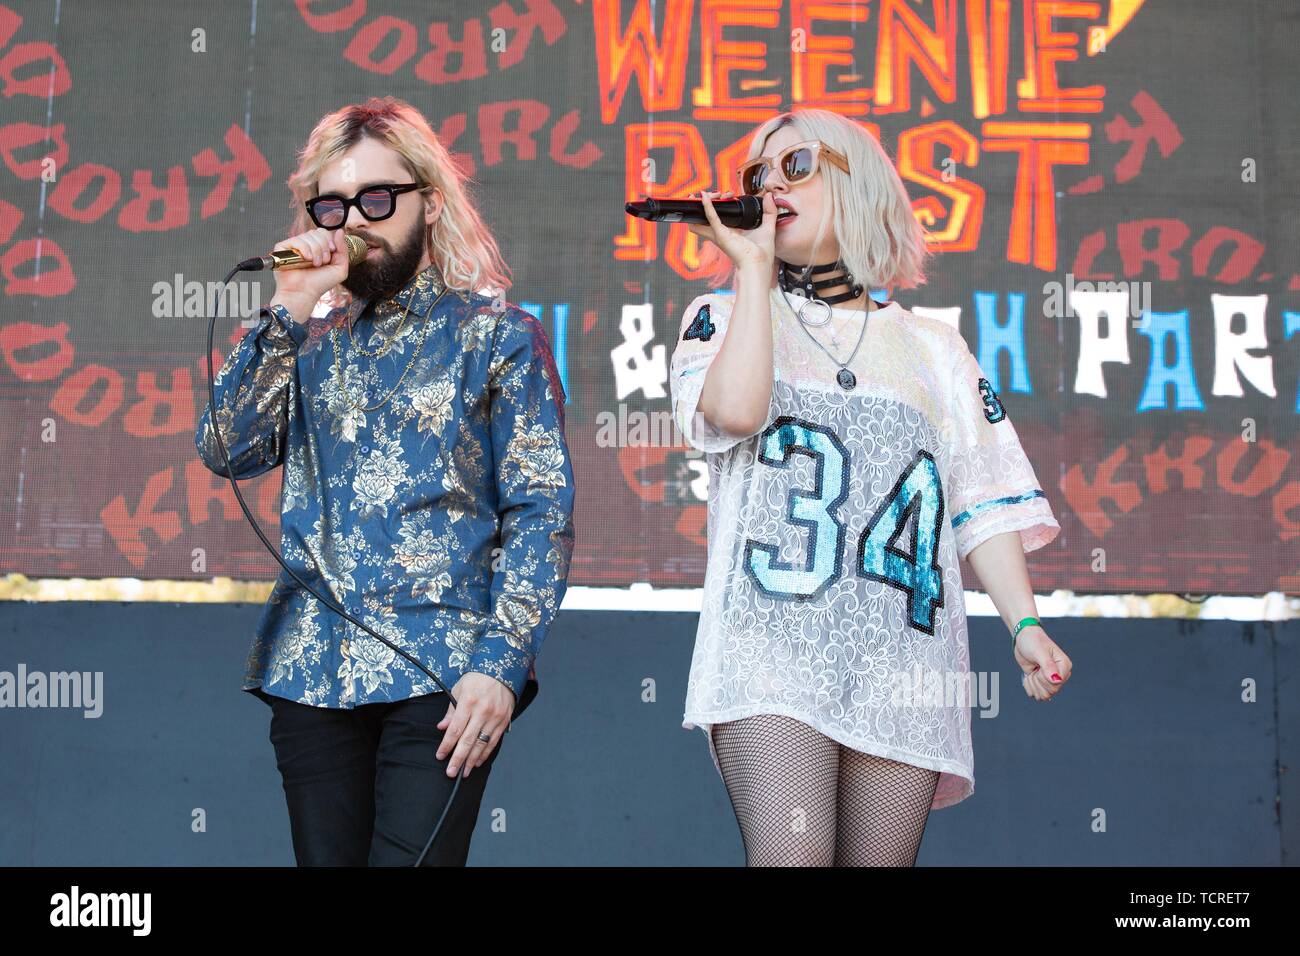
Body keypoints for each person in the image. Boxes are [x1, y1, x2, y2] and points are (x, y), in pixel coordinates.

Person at [669, 108, 1073, 867]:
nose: (771, 186)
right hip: (771, 651)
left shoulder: (935, 350)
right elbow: (733, 411)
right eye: (756, 176)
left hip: (908, 662)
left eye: (797, 166)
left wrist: (1025, 625)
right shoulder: (720, 317)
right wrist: (752, 271)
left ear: (859, 182)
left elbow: (981, 501)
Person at [195, 97, 574, 866]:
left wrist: (499, 666)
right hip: (310, 670)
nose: (354, 222)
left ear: (430, 202)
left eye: (377, 198)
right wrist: (290, 307)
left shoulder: (498, 336)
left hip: (440, 668)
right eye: (332, 205)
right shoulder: (300, 339)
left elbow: (540, 513)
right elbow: (225, 448)